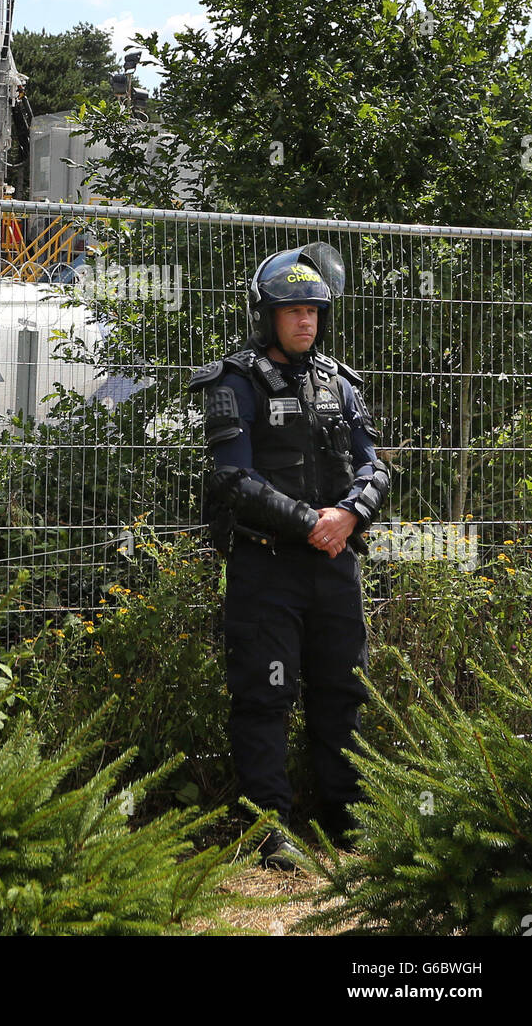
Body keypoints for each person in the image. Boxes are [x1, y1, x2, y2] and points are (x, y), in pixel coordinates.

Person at [189, 244, 390, 871]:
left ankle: (348, 817)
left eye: (313, 310)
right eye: (292, 310)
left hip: (335, 568)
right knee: (265, 696)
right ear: (266, 315)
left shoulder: (341, 383)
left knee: (342, 689)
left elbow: (374, 465)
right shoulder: (234, 382)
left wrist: (350, 513)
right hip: (266, 568)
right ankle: (268, 829)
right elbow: (233, 480)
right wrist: (313, 524)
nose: (305, 321)